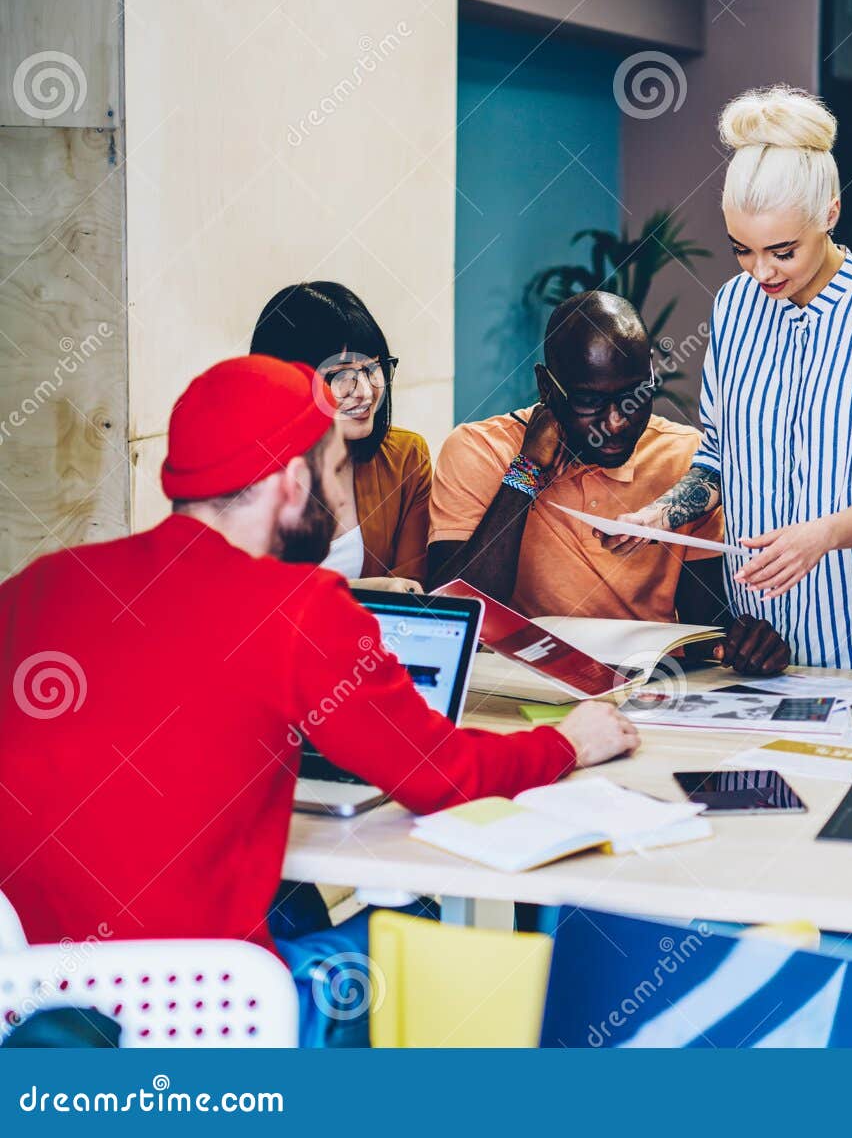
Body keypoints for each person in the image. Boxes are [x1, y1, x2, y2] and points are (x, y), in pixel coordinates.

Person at [0, 355, 638, 1045]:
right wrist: (570, 740)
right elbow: (446, 775)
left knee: (297, 900)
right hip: (206, 1017)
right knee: (422, 922)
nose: (344, 500)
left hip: (35, 1007)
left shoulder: (40, 585)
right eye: (338, 472)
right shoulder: (298, 608)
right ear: (293, 481)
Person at [600, 85, 852, 672]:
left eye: (782, 251)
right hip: (754, 627)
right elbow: (718, 456)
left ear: (830, 213)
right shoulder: (733, 306)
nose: (762, 272)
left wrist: (822, 535)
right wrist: (661, 516)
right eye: (742, 251)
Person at [427, 291, 790, 676]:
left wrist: (745, 641)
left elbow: (705, 627)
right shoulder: (479, 449)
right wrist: (527, 470)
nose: (617, 422)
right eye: (590, 402)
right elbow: (453, 617)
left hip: (653, 688)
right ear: (547, 388)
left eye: (635, 395)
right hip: (525, 691)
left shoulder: (684, 458)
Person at [250, 281, 432, 592]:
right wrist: (366, 590)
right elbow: (246, 596)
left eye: (373, 368)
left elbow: (410, 595)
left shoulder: (405, 457)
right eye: (340, 375)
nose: (364, 392)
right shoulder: (247, 471)